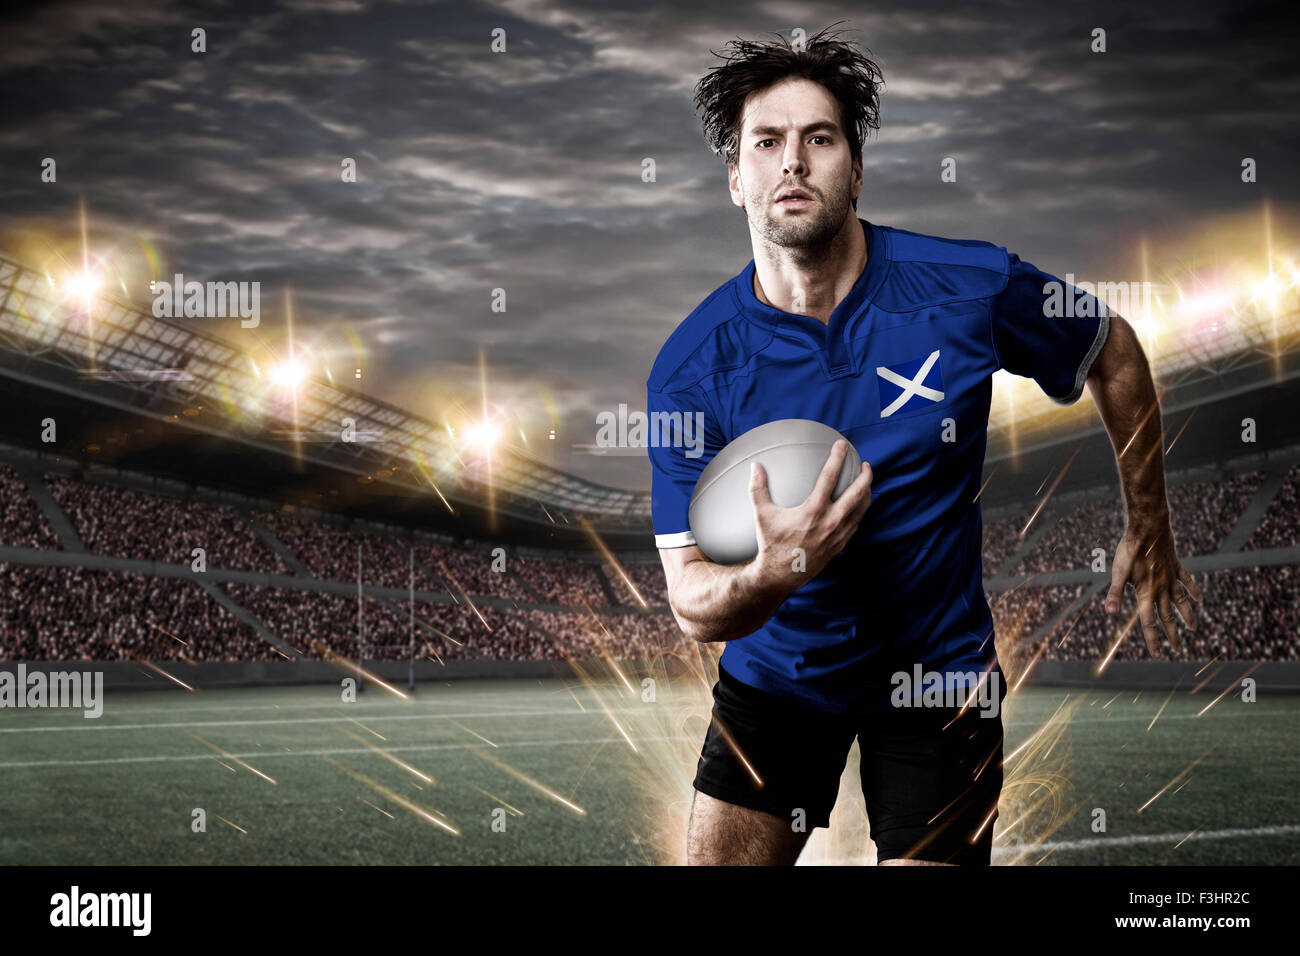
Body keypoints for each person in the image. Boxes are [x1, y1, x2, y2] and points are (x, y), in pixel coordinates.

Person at [646, 25, 1201, 865]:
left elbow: (1112, 350)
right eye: (767, 142)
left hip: (938, 681)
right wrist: (774, 570)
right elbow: (691, 602)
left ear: (856, 169)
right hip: (777, 682)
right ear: (737, 178)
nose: (792, 162)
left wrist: (1148, 519)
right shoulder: (690, 369)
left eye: (819, 139)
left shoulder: (969, 285)